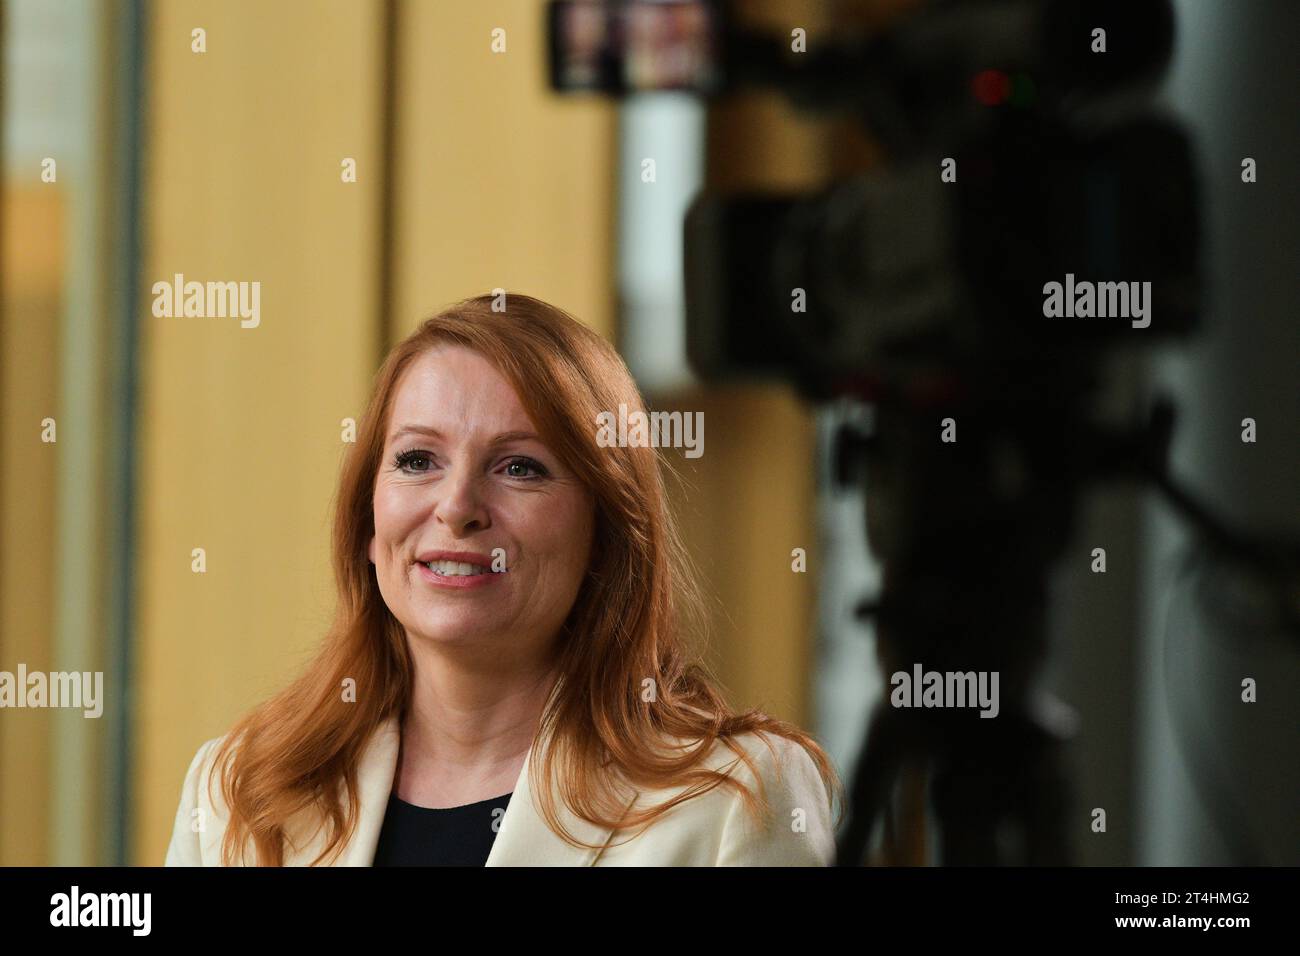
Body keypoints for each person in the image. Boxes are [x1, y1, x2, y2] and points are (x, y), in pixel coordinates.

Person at [164, 292, 842, 866]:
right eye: (417, 459)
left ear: (605, 535)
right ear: (368, 524)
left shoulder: (738, 797)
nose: (456, 508)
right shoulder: (237, 794)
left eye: (520, 468)